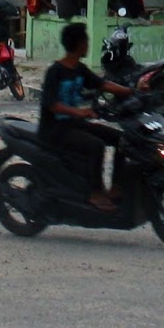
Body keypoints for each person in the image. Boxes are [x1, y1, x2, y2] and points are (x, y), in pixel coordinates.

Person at [40, 22, 138, 212]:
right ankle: (95, 193)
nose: (88, 45)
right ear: (78, 44)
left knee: (121, 139)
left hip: (74, 124)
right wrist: (79, 112)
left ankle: (115, 188)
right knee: (96, 146)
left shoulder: (79, 69)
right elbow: (51, 104)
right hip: (55, 130)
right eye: (86, 41)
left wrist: (132, 91)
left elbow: (103, 84)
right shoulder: (55, 71)